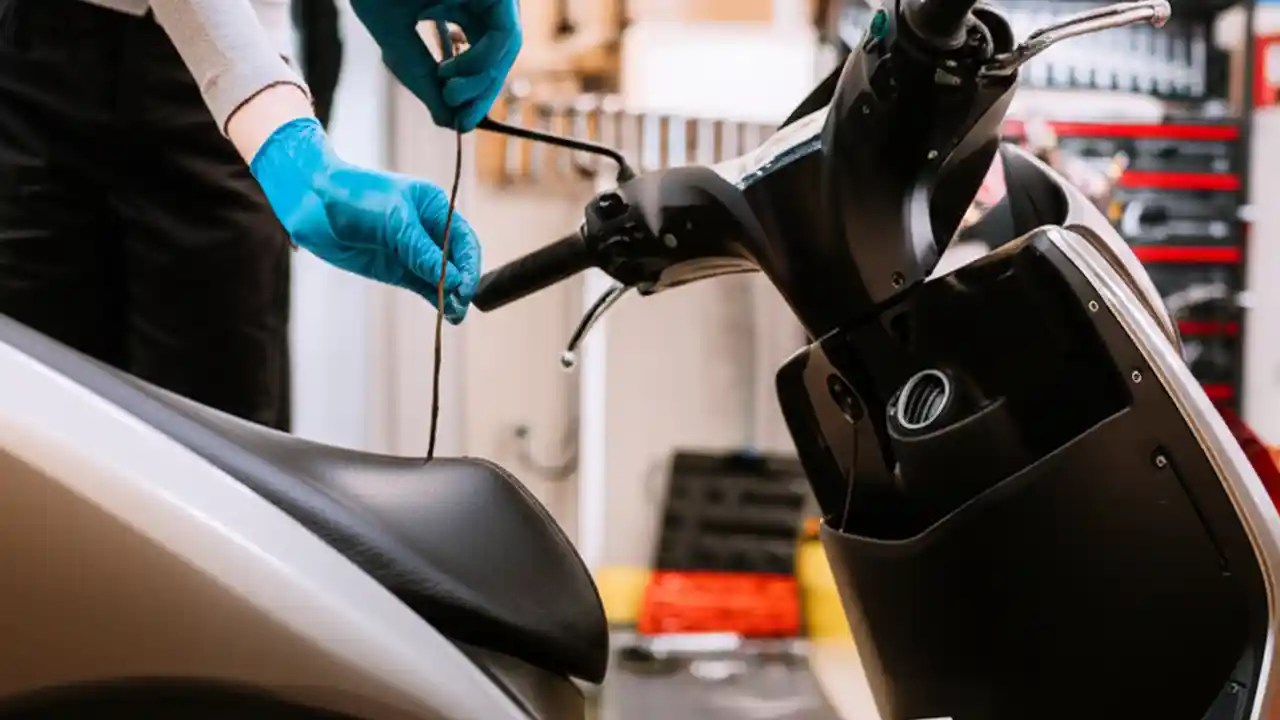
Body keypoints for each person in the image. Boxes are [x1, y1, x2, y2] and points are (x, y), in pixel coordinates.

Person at [0, 0, 520, 430]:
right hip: (33, 68)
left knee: (224, 457)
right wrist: (283, 141)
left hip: (230, 74)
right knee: (43, 444)